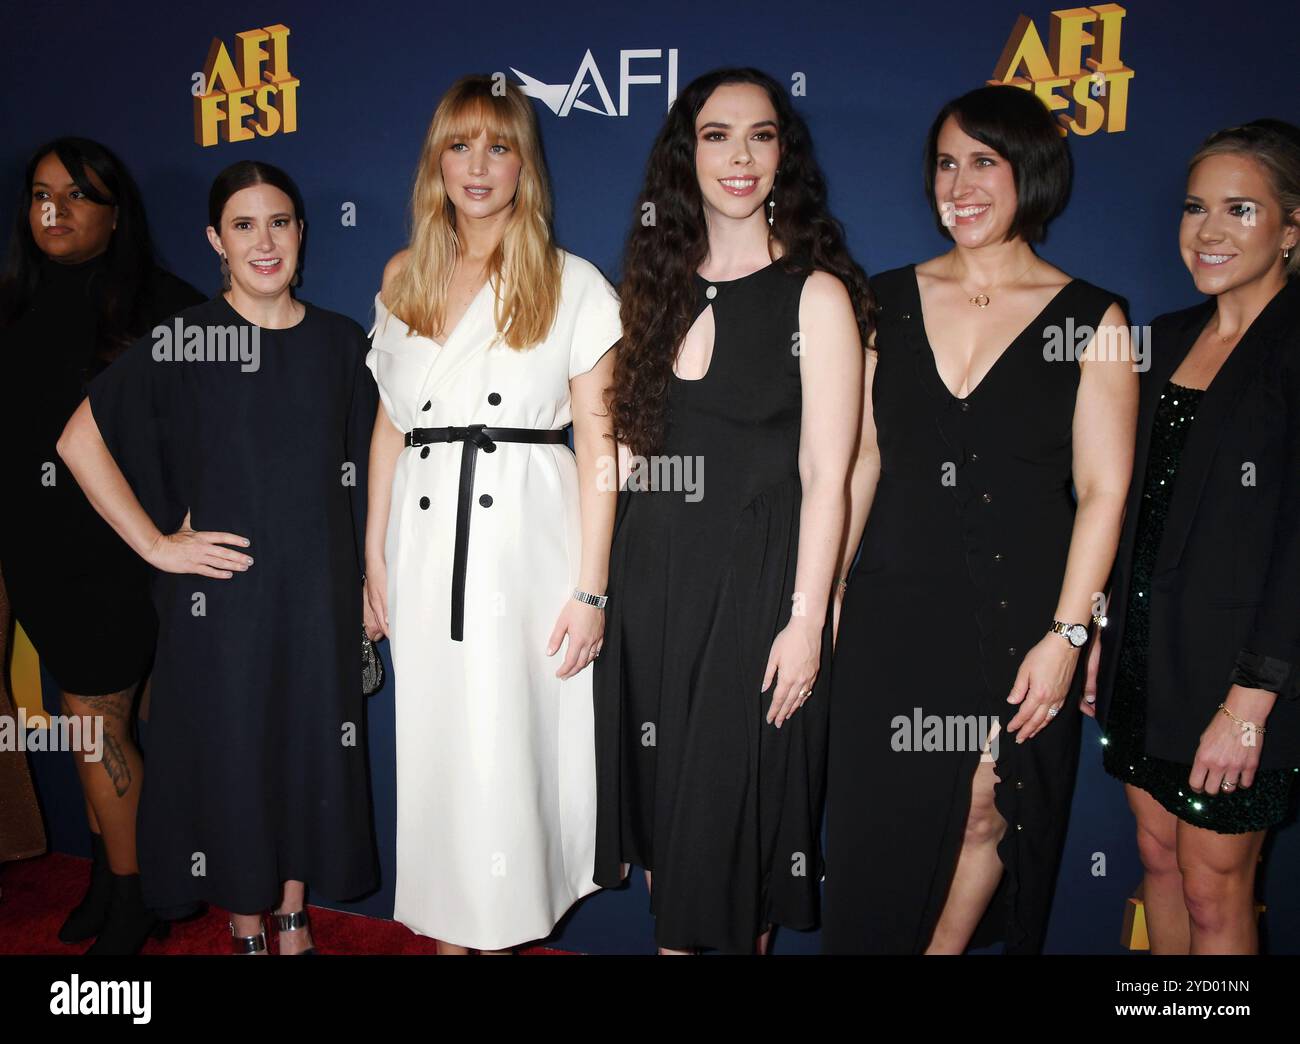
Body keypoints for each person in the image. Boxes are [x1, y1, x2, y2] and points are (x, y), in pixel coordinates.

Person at [823, 85, 1136, 954]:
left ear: (1029, 172)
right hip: (892, 611)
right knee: (872, 826)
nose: (959, 184)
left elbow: (1104, 488)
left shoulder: (1092, 317)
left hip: (1019, 616)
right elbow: (863, 459)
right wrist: (831, 594)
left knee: (983, 812)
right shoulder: (884, 299)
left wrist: (1068, 635)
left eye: (983, 162)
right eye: (946, 164)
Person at [57, 160, 379, 954]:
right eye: (243, 225)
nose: (264, 242)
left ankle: (294, 919)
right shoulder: (186, 337)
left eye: (279, 222)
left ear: (302, 232)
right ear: (215, 240)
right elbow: (77, 441)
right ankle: (245, 928)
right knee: (237, 758)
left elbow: (373, 476)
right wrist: (159, 546)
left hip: (319, 597)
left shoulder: (343, 343)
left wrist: (373, 585)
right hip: (222, 602)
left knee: (307, 750)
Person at [594, 67, 868, 954]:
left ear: (784, 154)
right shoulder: (648, 288)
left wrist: (805, 620)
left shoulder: (815, 294)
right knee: (676, 832)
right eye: (717, 135)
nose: (739, 156)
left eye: (760, 135)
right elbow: (622, 458)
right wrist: (592, 590)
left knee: (738, 837)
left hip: (754, 596)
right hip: (653, 590)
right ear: (688, 154)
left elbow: (829, 471)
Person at [364, 75, 621, 954]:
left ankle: (501, 932)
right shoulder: (405, 273)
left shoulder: (569, 280)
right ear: (437, 158)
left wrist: (591, 590)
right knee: (441, 751)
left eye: (500, 146)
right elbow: (391, 430)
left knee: (510, 749)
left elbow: (601, 446)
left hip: (525, 544)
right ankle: (448, 932)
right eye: (461, 144)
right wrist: (374, 558)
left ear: (525, 166)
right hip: (427, 545)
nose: (479, 166)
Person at [1088, 120, 1300, 954]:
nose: (1208, 231)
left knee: (1216, 892)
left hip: (1247, 674)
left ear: (1292, 228)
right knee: (1157, 862)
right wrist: (1106, 633)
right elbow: (1131, 504)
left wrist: (1251, 701)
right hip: (1148, 655)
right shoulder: (1165, 338)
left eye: (1239, 210)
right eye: (1195, 208)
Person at [0, 137, 202, 952]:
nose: (55, 209)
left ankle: (141, 894)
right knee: (83, 729)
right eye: (41, 193)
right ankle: (107, 878)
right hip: (36, 558)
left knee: (96, 726)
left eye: (78, 194)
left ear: (116, 216)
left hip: (113, 561)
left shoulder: (164, 308)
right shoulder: (12, 307)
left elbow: (210, 439)